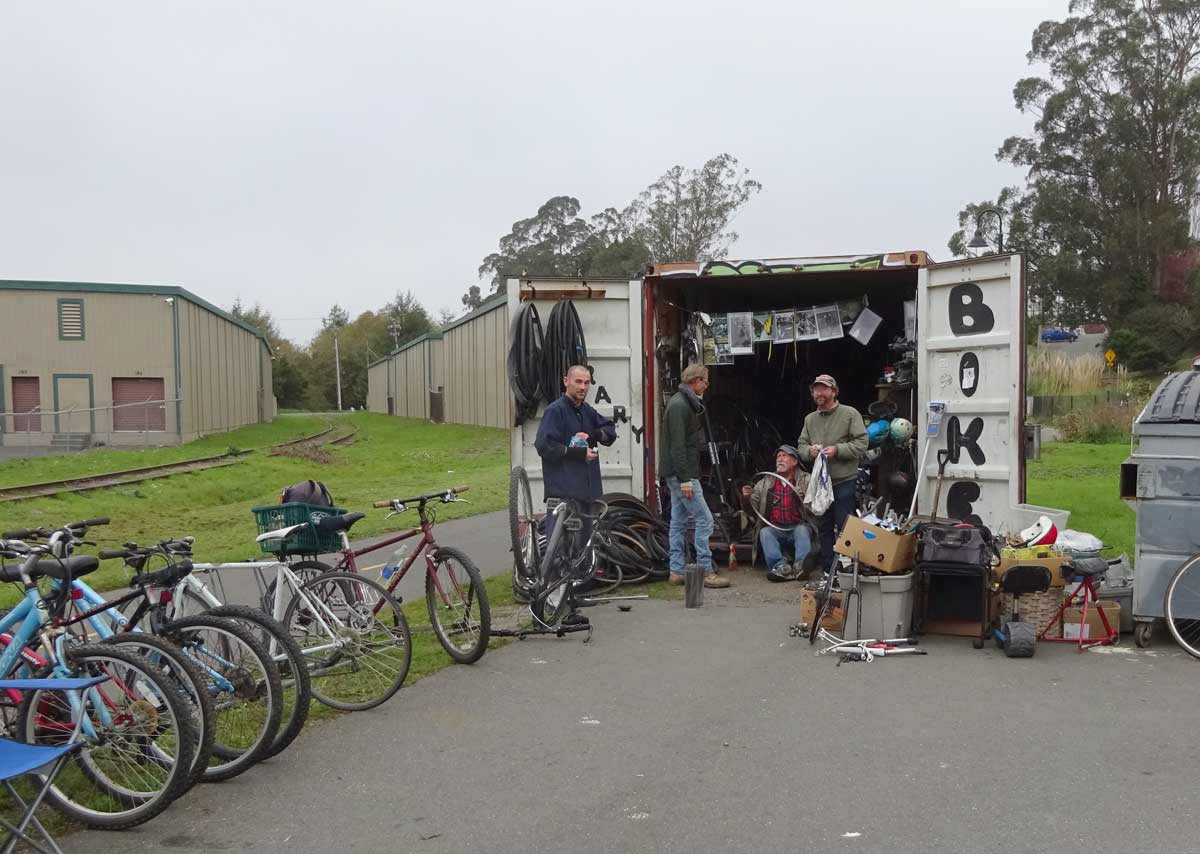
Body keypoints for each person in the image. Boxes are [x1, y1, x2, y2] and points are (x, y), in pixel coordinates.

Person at [660, 363, 730, 588]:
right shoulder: (680, 406)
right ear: (696, 381)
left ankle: (676, 571)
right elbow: (678, 447)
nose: (707, 386)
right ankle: (706, 571)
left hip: (678, 473)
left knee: (678, 522)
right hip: (683, 474)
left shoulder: (682, 403)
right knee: (705, 520)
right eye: (705, 382)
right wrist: (685, 479)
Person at [534, 365, 617, 541]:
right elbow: (543, 445)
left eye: (586, 383)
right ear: (566, 381)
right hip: (562, 493)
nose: (582, 387)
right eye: (578, 382)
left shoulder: (587, 411)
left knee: (584, 547)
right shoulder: (555, 411)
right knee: (558, 548)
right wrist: (578, 453)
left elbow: (610, 432)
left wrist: (594, 434)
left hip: (587, 493)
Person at [798, 374, 868, 572]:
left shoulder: (850, 414)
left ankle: (848, 570)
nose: (819, 393)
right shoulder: (810, 419)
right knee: (823, 527)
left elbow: (862, 443)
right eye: (816, 389)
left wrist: (838, 450)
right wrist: (809, 451)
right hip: (821, 484)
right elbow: (801, 446)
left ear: (834, 392)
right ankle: (828, 570)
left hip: (844, 480)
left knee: (846, 527)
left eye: (824, 388)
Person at [740, 445, 817, 582]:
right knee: (765, 532)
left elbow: (818, 508)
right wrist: (746, 498)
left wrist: (803, 498)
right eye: (778, 457)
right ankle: (780, 568)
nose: (780, 459)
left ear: (795, 461)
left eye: (784, 456)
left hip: (798, 526)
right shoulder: (765, 482)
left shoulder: (807, 480)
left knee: (802, 530)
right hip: (775, 528)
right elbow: (752, 510)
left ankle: (801, 566)